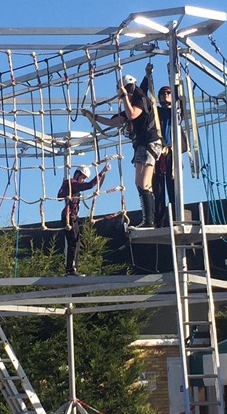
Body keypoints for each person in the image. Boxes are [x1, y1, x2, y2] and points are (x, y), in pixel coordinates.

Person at [82, 71, 163, 228]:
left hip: (150, 143)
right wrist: (92, 116)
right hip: (142, 144)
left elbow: (132, 115)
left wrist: (125, 96)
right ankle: (148, 219)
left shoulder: (140, 98)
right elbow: (115, 122)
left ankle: (149, 220)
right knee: (139, 182)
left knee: (144, 182)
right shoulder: (131, 103)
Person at [58, 163, 110, 276]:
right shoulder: (72, 183)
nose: (83, 180)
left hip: (73, 217)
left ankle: (73, 268)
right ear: (78, 174)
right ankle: (70, 269)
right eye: (83, 177)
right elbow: (90, 185)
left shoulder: (70, 184)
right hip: (69, 216)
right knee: (73, 242)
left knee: (77, 242)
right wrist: (102, 172)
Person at [141, 63, 176, 227]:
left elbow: (179, 94)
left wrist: (172, 72)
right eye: (163, 93)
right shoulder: (156, 110)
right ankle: (160, 221)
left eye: (168, 93)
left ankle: (175, 219)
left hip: (171, 152)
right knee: (158, 189)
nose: (166, 95)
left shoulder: (176, 111)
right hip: (157, 151)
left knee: (173, 187)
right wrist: (148, 77)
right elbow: (142, 96)